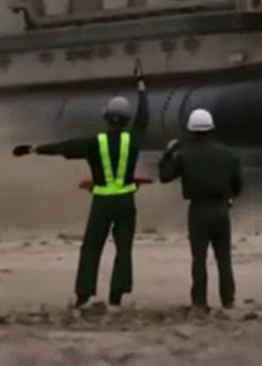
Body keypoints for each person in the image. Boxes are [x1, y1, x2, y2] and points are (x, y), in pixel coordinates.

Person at [12, 61, 149, 308]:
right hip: (127, 201)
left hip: (102, 202)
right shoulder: (134, 139)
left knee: (91, 248)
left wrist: (34, 149)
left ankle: (84, 294)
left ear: (106, 117)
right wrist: (141, 84)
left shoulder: (94, 142)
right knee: (124, 249)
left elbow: (64, 147)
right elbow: (144, 117)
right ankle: (117, 295)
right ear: (127, 119)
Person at [159, 108, 243, 310]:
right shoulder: (229, 154)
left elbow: (165, 176)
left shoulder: (184, 155)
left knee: (199, 258)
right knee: (224, 258)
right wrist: (230, 198)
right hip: (222, 210)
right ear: (211, 128)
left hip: (198, 211)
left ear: (191, 131)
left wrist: (168, 153)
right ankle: (228, 299)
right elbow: (238, 185)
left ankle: (199, 301)